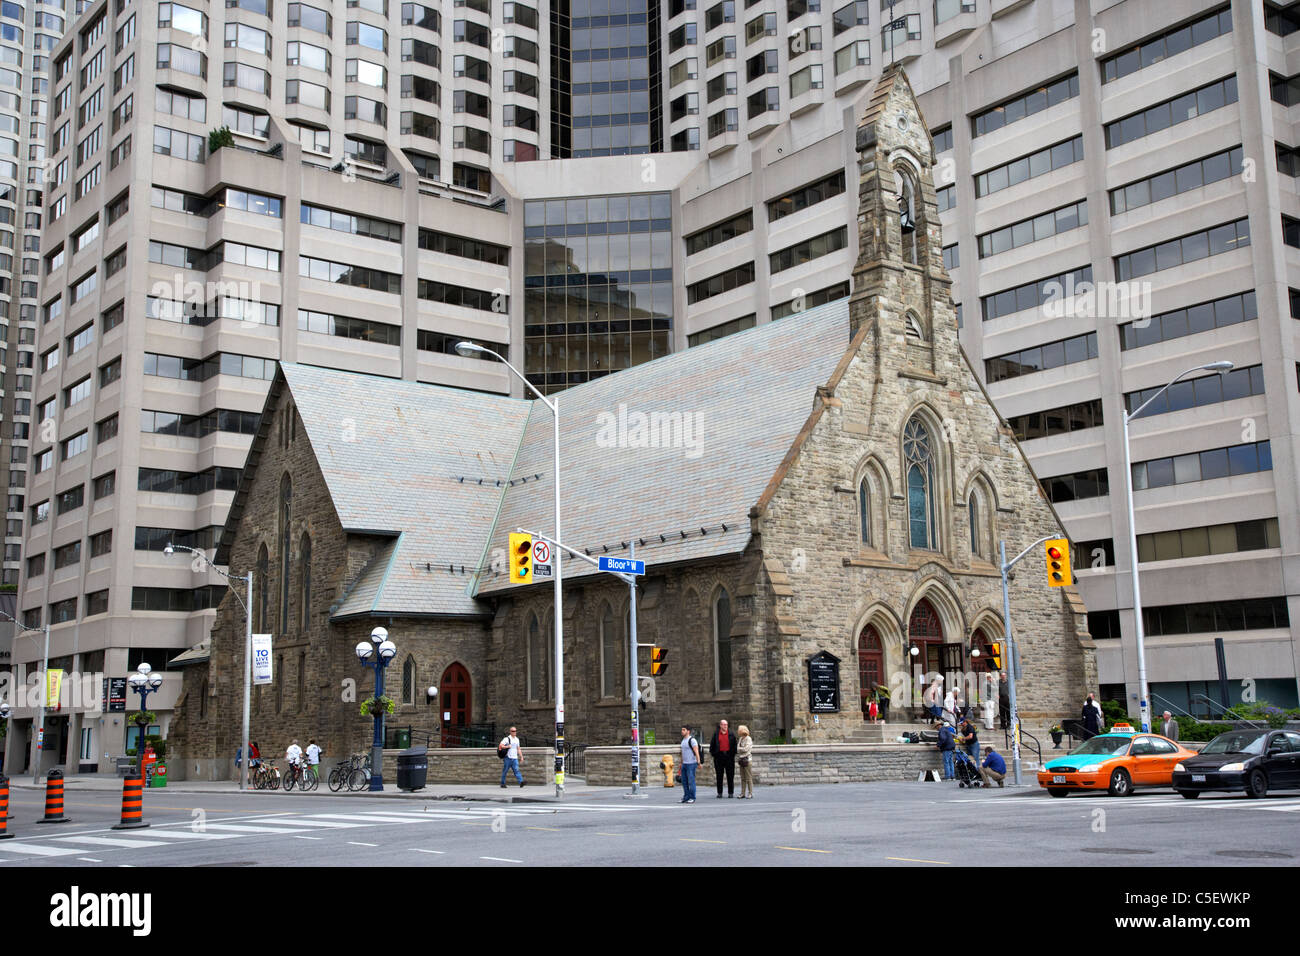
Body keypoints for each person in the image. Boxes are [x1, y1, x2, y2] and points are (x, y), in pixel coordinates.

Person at [710, 719, 738, 798]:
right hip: (719, 757)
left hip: (729, 757)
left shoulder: (731, 734)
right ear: (720, 725)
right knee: (719, 775)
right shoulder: (716, 734)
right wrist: (714, 754)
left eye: (726, 725)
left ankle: (730, 792)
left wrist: (732, 754)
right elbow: (712, 745)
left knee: (730, 775)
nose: (725, 726)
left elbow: (734, 745)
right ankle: (719, 793)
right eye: (724, 725)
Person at [679, 726, 701, 803]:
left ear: (688, 731)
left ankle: (692, 797)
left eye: (684, 730)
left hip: (691, 764)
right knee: (684, 781)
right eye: (682, 730)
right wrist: (681, 763)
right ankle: (686, 796)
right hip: (685, 764)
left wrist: (698, 762)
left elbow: (696, 751)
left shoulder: (692, 740)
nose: (682, 731)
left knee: (691, 781)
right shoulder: (683, 741)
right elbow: (682, 753)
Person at [736, 725, 754, 798]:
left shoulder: (748, 739)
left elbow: (746, 749)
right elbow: (737, 749)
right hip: (741, 760)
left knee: (748, 777)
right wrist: (741, 749)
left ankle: (750, 793)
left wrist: (741, 749)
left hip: (747, 760)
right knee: (742, 777)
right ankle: (742, 793)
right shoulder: (740, 739)